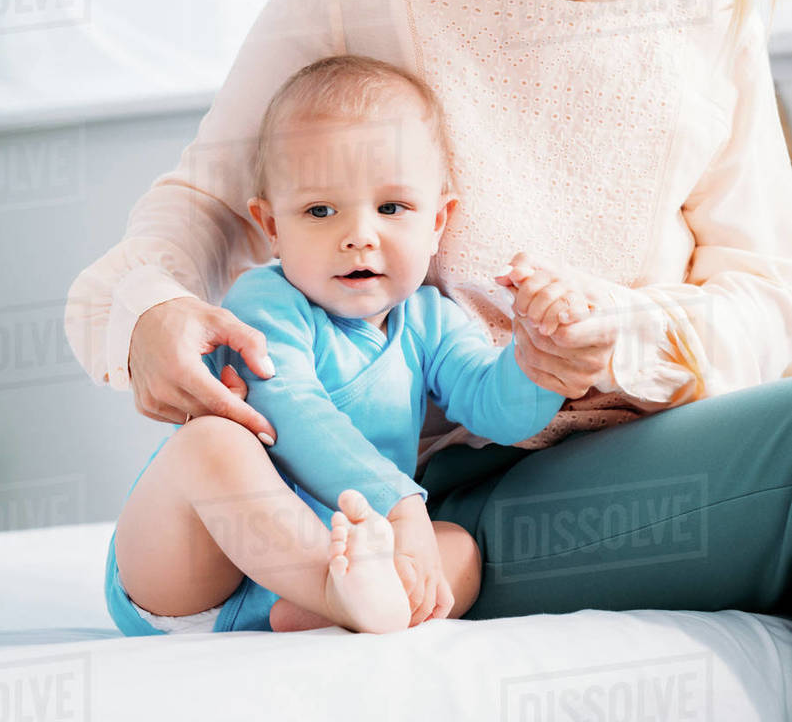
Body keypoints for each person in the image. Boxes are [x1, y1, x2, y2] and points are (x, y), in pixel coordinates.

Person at [67, 0, 792, 620]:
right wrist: (148, 311)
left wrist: (614, 332)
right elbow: (206, 206)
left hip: (609, 462)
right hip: (394, 480)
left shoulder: (710, 9)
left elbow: (763, 304)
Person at [105, 55, 568, 635]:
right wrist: (398, 502)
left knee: (459, 549)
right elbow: (292, 411)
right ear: (272, 227)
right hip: (197, 568)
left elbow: (499, 411)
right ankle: (332, 590)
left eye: (392, 207)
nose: (358, 236)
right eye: (320, 211)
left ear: (438, 222)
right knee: (211, 443)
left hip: (342, 563)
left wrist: (541, 356)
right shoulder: (265, 303)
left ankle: (328, 608)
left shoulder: (430, 320)